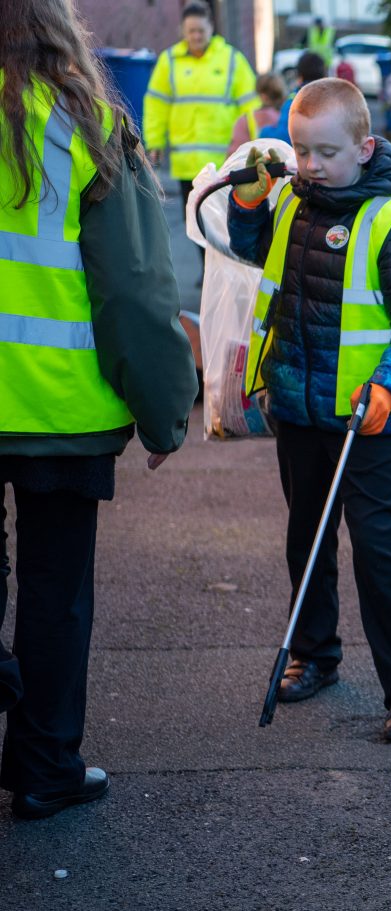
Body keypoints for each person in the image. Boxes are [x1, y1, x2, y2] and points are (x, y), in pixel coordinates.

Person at [0, 0, 198, 820]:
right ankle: (47, 766)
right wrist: (163, 411)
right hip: (58, 410)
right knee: (55, 591)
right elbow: (135, 289)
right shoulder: (80, 119)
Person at [227, 79, 391, 741]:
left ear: (365, 146)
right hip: (295, 405)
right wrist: (247, 203)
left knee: (377, 549)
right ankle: (314, 651)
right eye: (300, 149)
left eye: (325, 151)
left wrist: (388, 384)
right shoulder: (291, 201)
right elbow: (251, 252)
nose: (310, 164)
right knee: (308, 536)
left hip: (365, 420)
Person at [142, 3, 258, 217]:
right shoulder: (169, 61)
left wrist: (257, 142)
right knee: (195, 222)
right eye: (191, 31)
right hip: (186, 165)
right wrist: (155, 142)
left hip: (224, 162)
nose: (196, 36)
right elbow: (156, 105)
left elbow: (252, 106)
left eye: (201, 31)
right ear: (183, 31)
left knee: (222, 222)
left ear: (211, 28)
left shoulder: (231, 59)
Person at [260, 50, 327, 144]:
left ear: (300, 76)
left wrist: (264, 132)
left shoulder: (295, 102)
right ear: (324, 75)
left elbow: (283, 136)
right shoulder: (333, 99)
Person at [226, 72, 286, 158]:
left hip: (251, 169)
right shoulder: (286, 119)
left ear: (260, 95)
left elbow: (233, 156)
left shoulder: (246, 120)